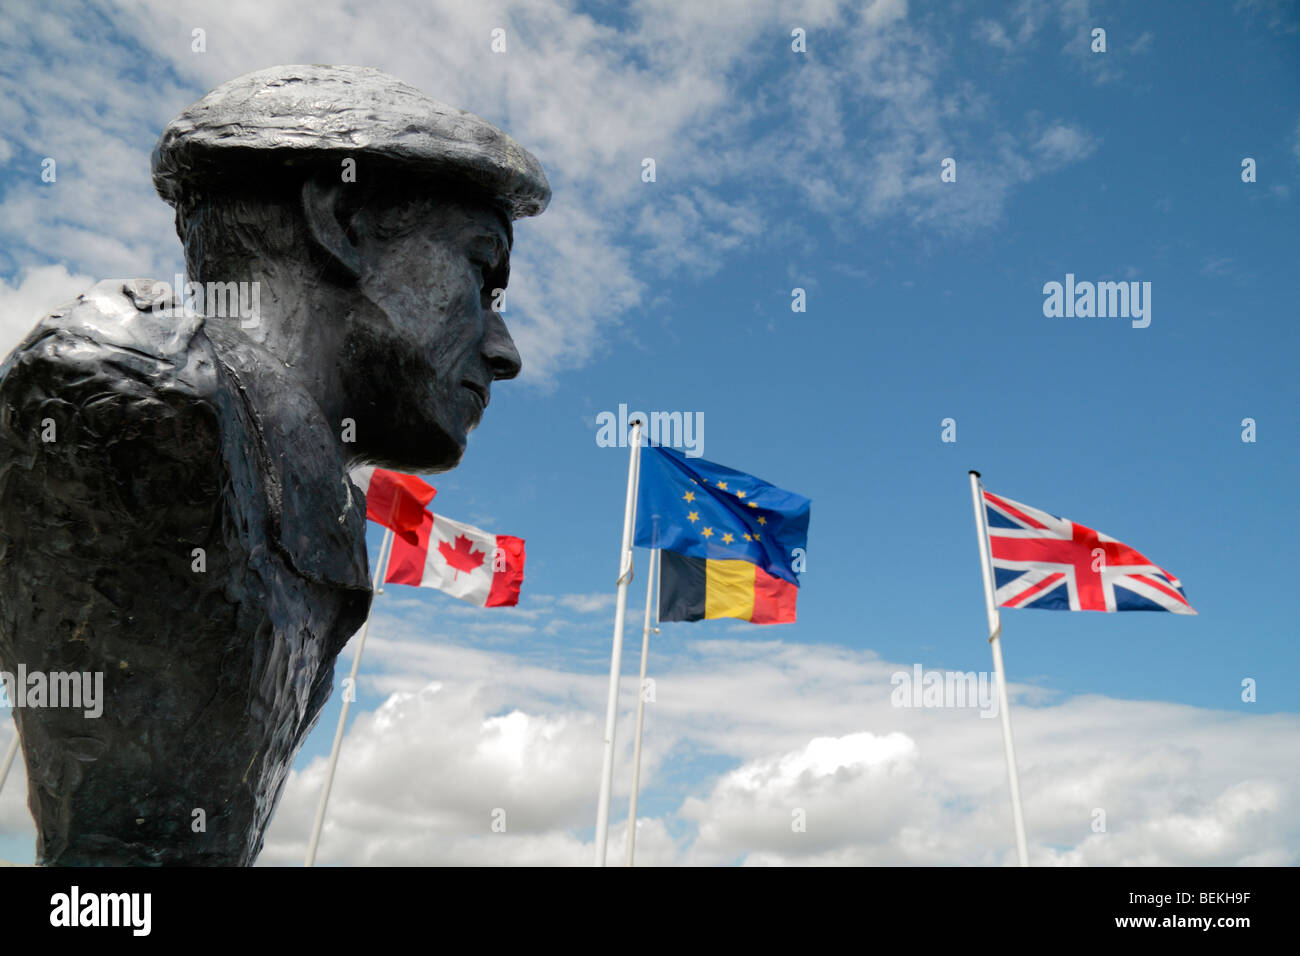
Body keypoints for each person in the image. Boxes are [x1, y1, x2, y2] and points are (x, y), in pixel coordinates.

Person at [0, 65, 549, 865]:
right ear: (343, 220)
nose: (505, 353)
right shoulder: (135, 386)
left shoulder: (313, 491)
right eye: (480, 273)